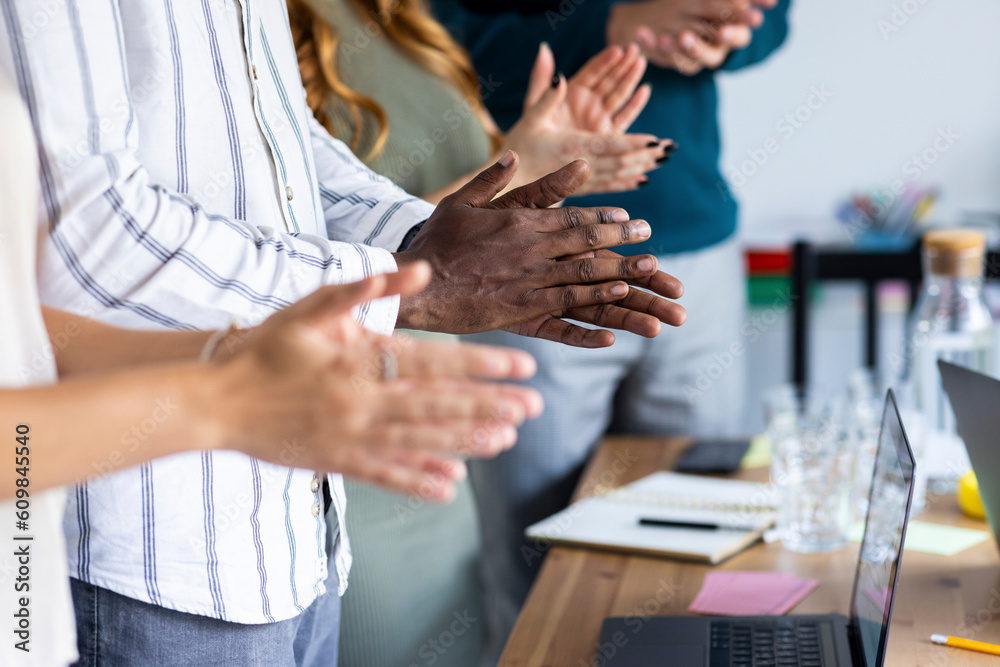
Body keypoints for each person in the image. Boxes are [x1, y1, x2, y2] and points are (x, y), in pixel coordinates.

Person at [1, 1, 685, 664]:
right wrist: (411, 280)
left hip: (298, 527)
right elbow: (83, 233)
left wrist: (425, 243)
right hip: (157, 543)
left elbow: (286, 141)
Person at [285, 2, 677, 663]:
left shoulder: (407, 18)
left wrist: (530, 159)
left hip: (435, 425)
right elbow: (302, 258)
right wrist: (518, 166)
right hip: (349, 436)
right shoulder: (272, 32)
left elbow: (431, 214)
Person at [432, 0, 791, 659]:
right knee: (535, 554)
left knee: (703, 533)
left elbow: (776, 18)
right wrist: (609, 23)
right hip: (531, 245)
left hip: (699, 245)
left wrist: (727, 35)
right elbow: (435, 30)